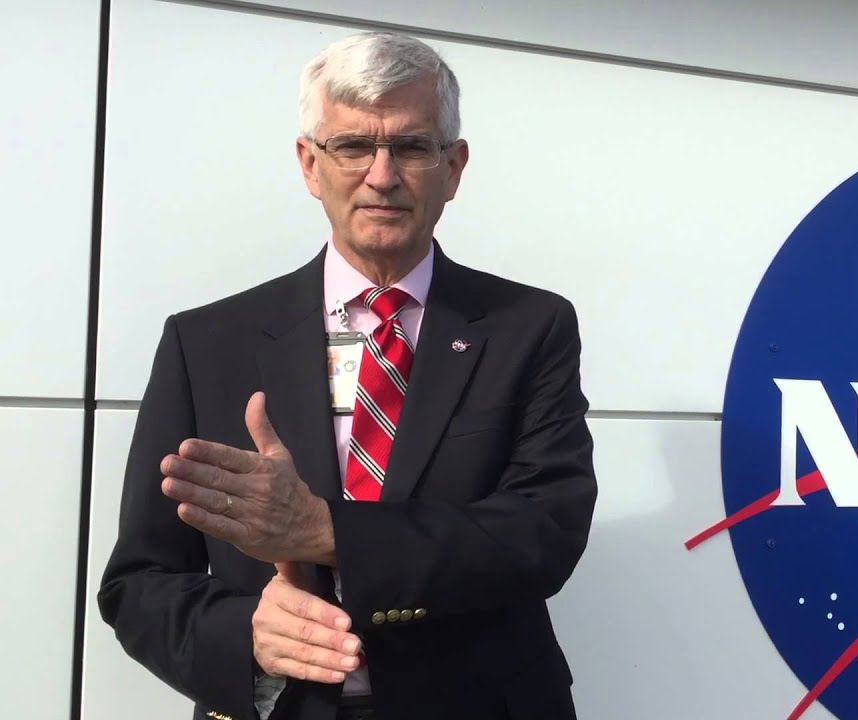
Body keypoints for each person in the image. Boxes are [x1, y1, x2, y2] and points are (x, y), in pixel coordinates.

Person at [98, 31, 597, 720]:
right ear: (310, 164)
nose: (383, 175)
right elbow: (140, 582)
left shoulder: (529, 327)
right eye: (354, 146)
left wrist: (326, 532)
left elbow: (543, 533)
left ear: (454, 168)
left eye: (412, 147)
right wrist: (245, 636)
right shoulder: (206, 342)